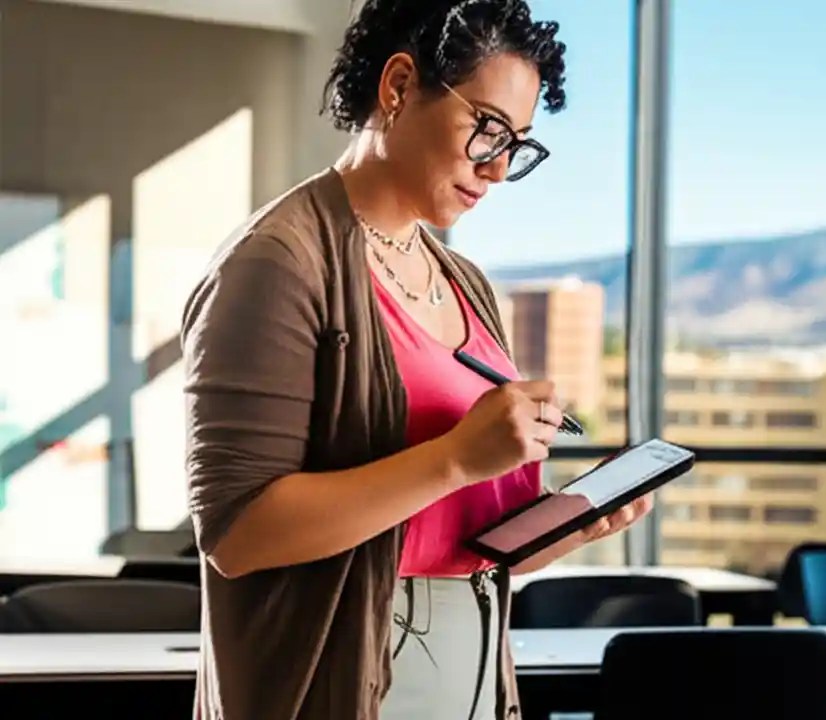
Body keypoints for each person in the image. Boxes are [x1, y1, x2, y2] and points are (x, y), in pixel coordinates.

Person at [180, 1, 652, 718]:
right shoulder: (277, 264)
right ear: (399, 86)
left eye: (517, 144)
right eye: (487, 129)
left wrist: (558, 526)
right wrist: (458, 458)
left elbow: (458, 547)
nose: (496, 168)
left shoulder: (465, 284)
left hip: (472, 662)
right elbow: (238, 533)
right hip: (339, 670)